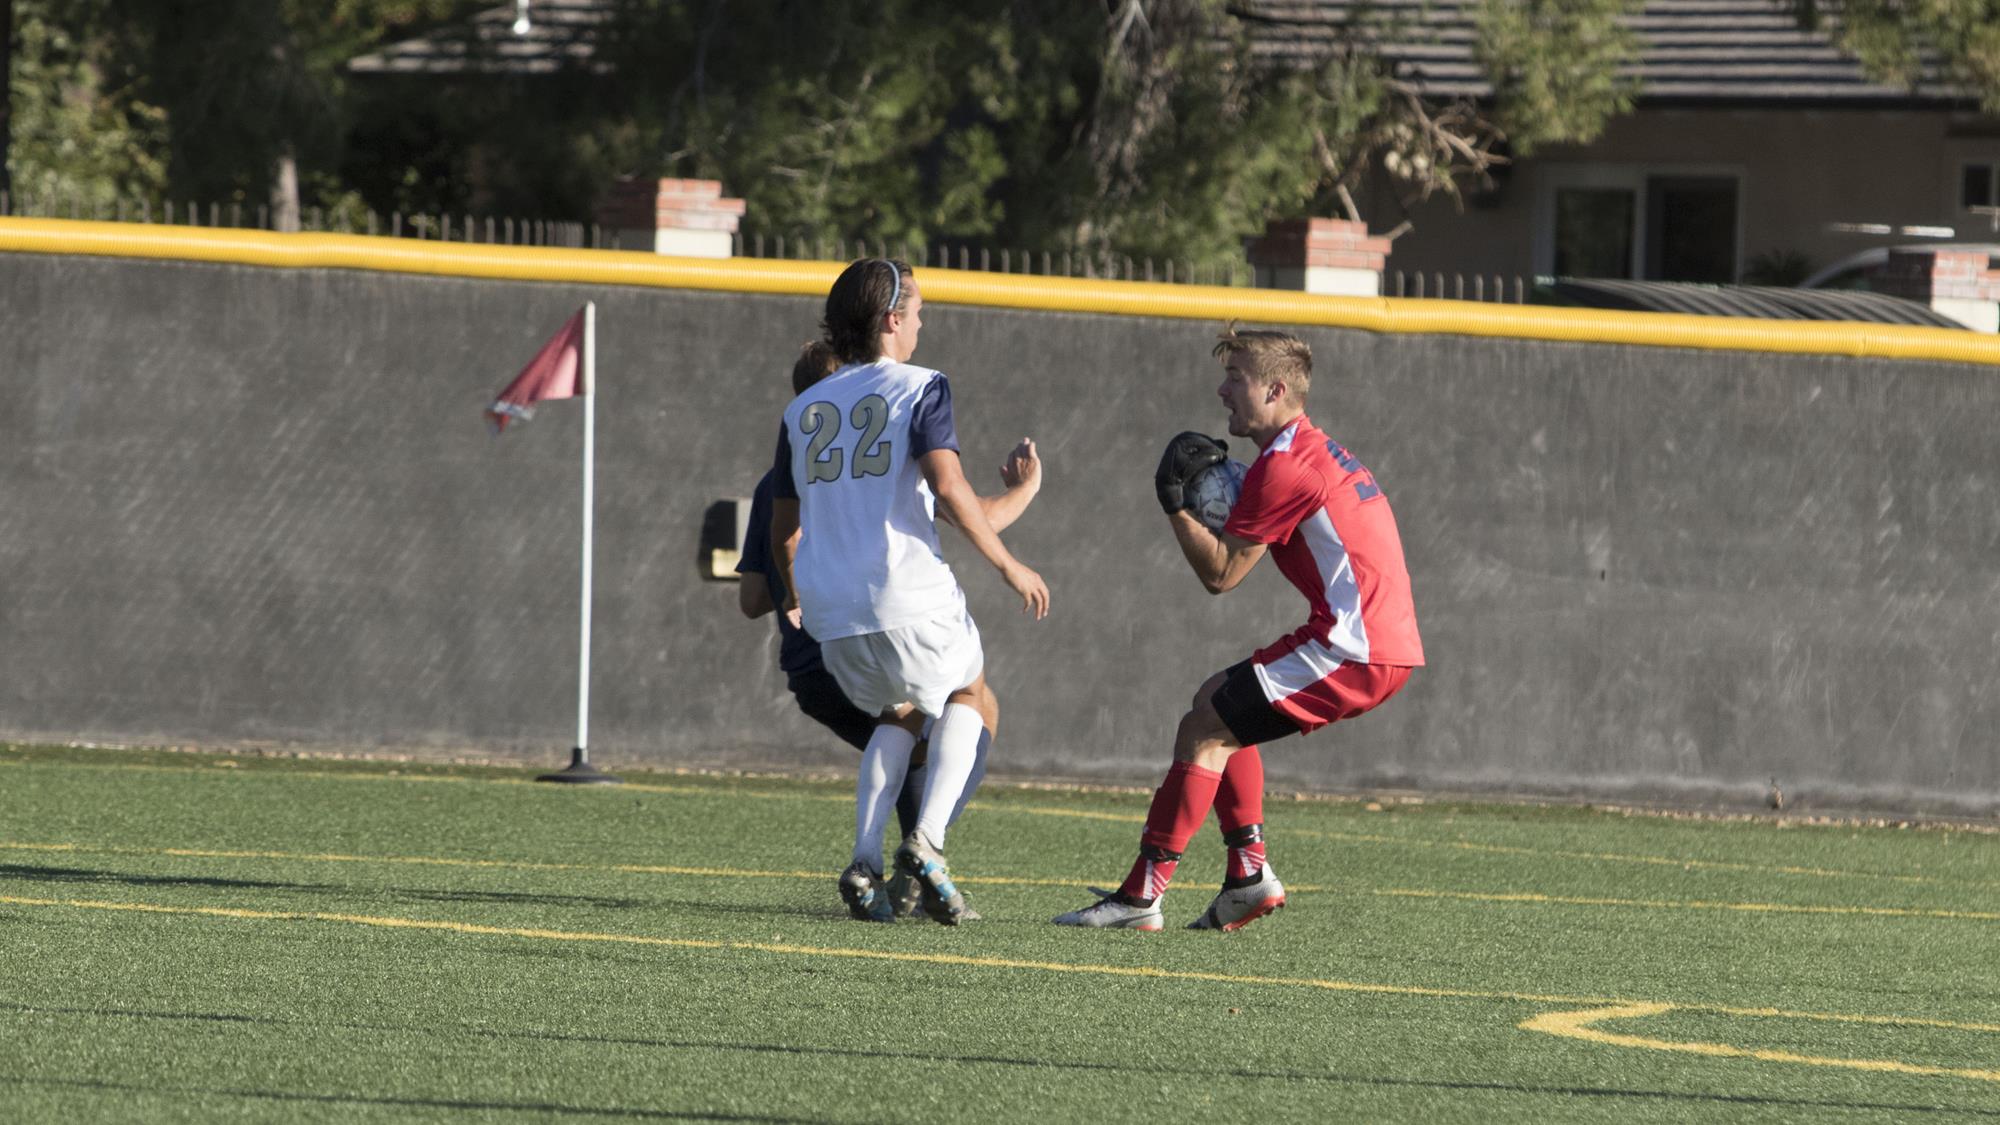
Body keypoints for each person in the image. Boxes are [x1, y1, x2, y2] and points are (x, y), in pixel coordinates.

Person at [1055, 326, 1422, 932]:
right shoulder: (1304, 452)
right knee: (1217, 703)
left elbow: (1221, 574)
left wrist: (1175, 504)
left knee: (1204, 731)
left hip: (1356, 647)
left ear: (1275, 390)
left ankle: (1140, 899)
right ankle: (1247, 876)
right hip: (1367, 638)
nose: (1223, 391)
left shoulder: (1285, 468)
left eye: (1236, 378)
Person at [771, 258, 1050, 926]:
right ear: (893, 319)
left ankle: (865, 859)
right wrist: (1009, 566)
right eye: (919, 312)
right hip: (905, 590)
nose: (922, 323)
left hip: (831, 608)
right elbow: (949, 489)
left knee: (898, 713)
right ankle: (927, 842)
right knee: (970, 696)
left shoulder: (800, 409)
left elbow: (784, 527)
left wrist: (796, 592)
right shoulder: (920, 385)